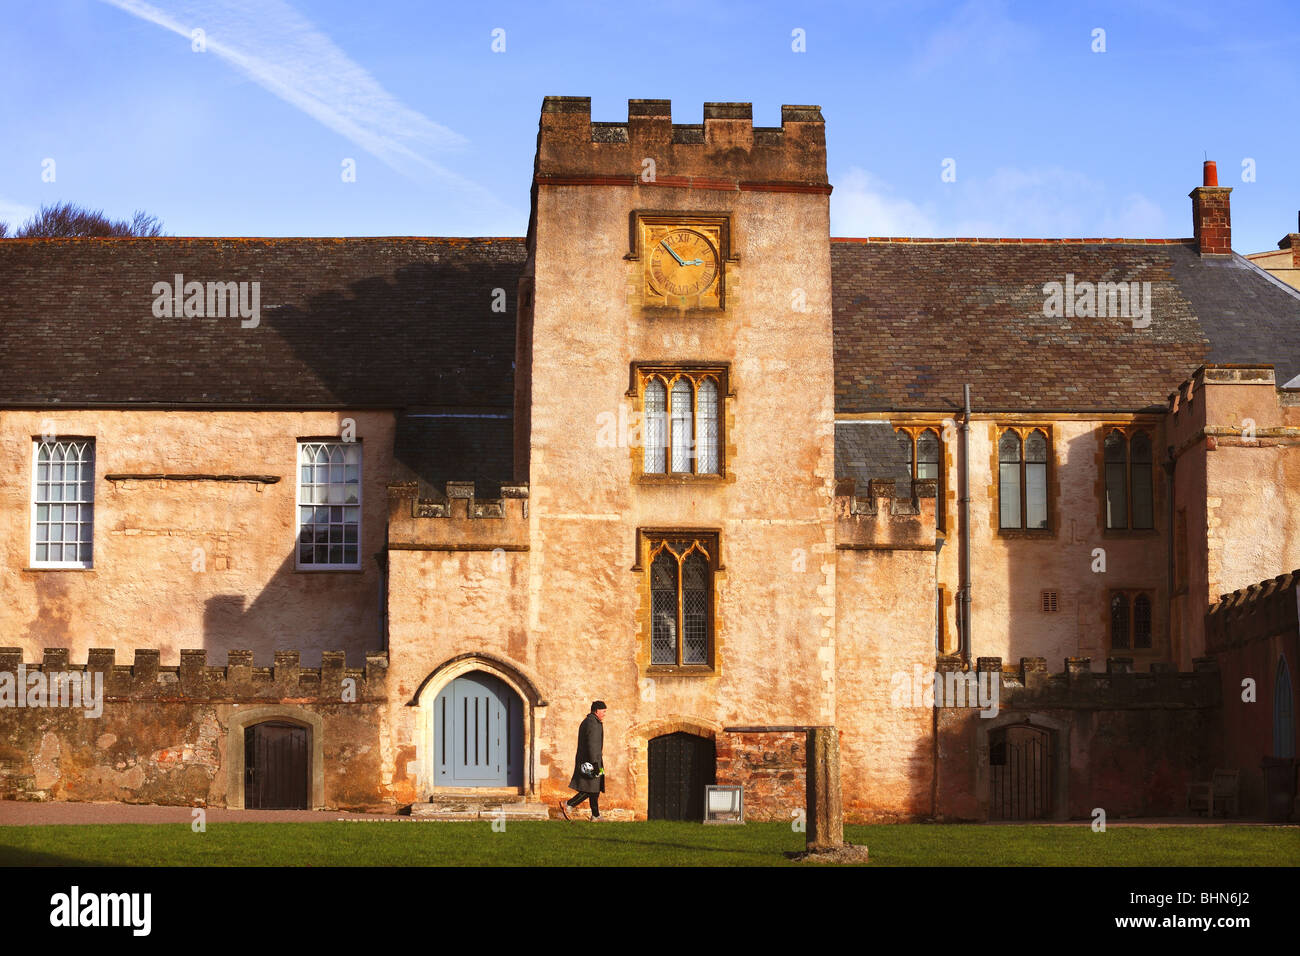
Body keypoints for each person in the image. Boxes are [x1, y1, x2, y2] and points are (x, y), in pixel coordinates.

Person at [559, 700, 606, 821]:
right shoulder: (593, 724)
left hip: (592, 760)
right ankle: (568, 804)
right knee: (590, 788)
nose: (605, 714)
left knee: (596, 787)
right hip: (591, 762)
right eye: (603, 711)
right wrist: (595, 763)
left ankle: (595, 815)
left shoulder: (588, 721)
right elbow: (593, 745)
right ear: (597, 711)